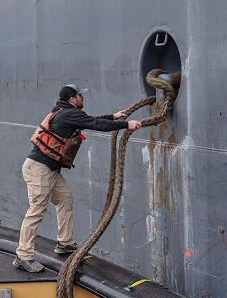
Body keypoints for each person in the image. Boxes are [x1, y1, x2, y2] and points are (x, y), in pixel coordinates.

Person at [13, 84, 142, 272]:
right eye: (80, 96)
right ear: (72, 99)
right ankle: (23, 256)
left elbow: (90, 120)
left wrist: (113, 117)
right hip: (39, 169)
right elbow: (95, 124)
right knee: (37, 210)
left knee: (65, 199)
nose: (83, 98)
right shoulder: (69, 114)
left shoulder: (66, 113)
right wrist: (126, 125)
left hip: (48, 169)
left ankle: (64, 243)